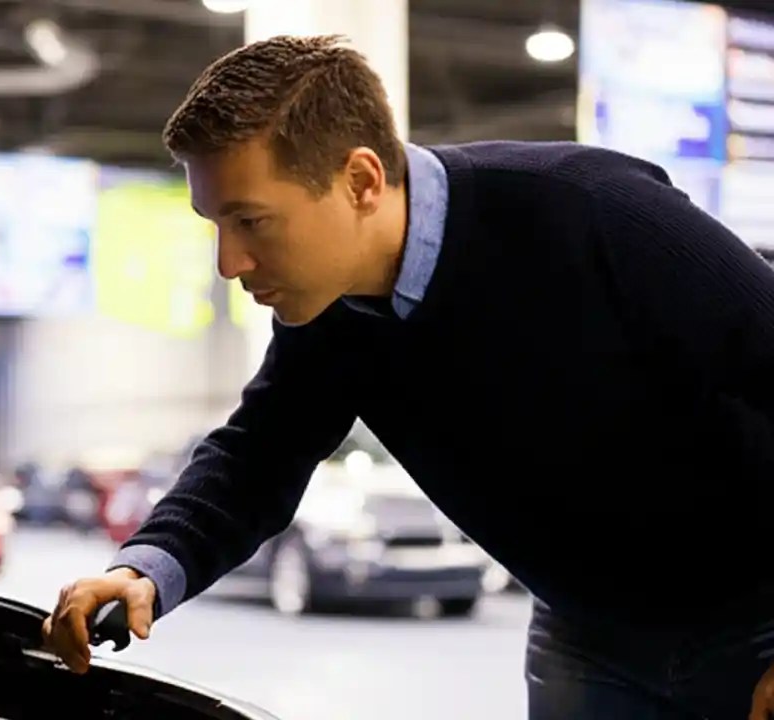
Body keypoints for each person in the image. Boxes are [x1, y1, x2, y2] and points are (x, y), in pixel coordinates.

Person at [42, 33, 774, 719]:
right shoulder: (330, 314)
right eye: (216, 226)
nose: (228, 264)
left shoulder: (596, 212)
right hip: (587, 630)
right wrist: (146, 569)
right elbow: (259, 454)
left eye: (253, 222)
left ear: (360, 180)